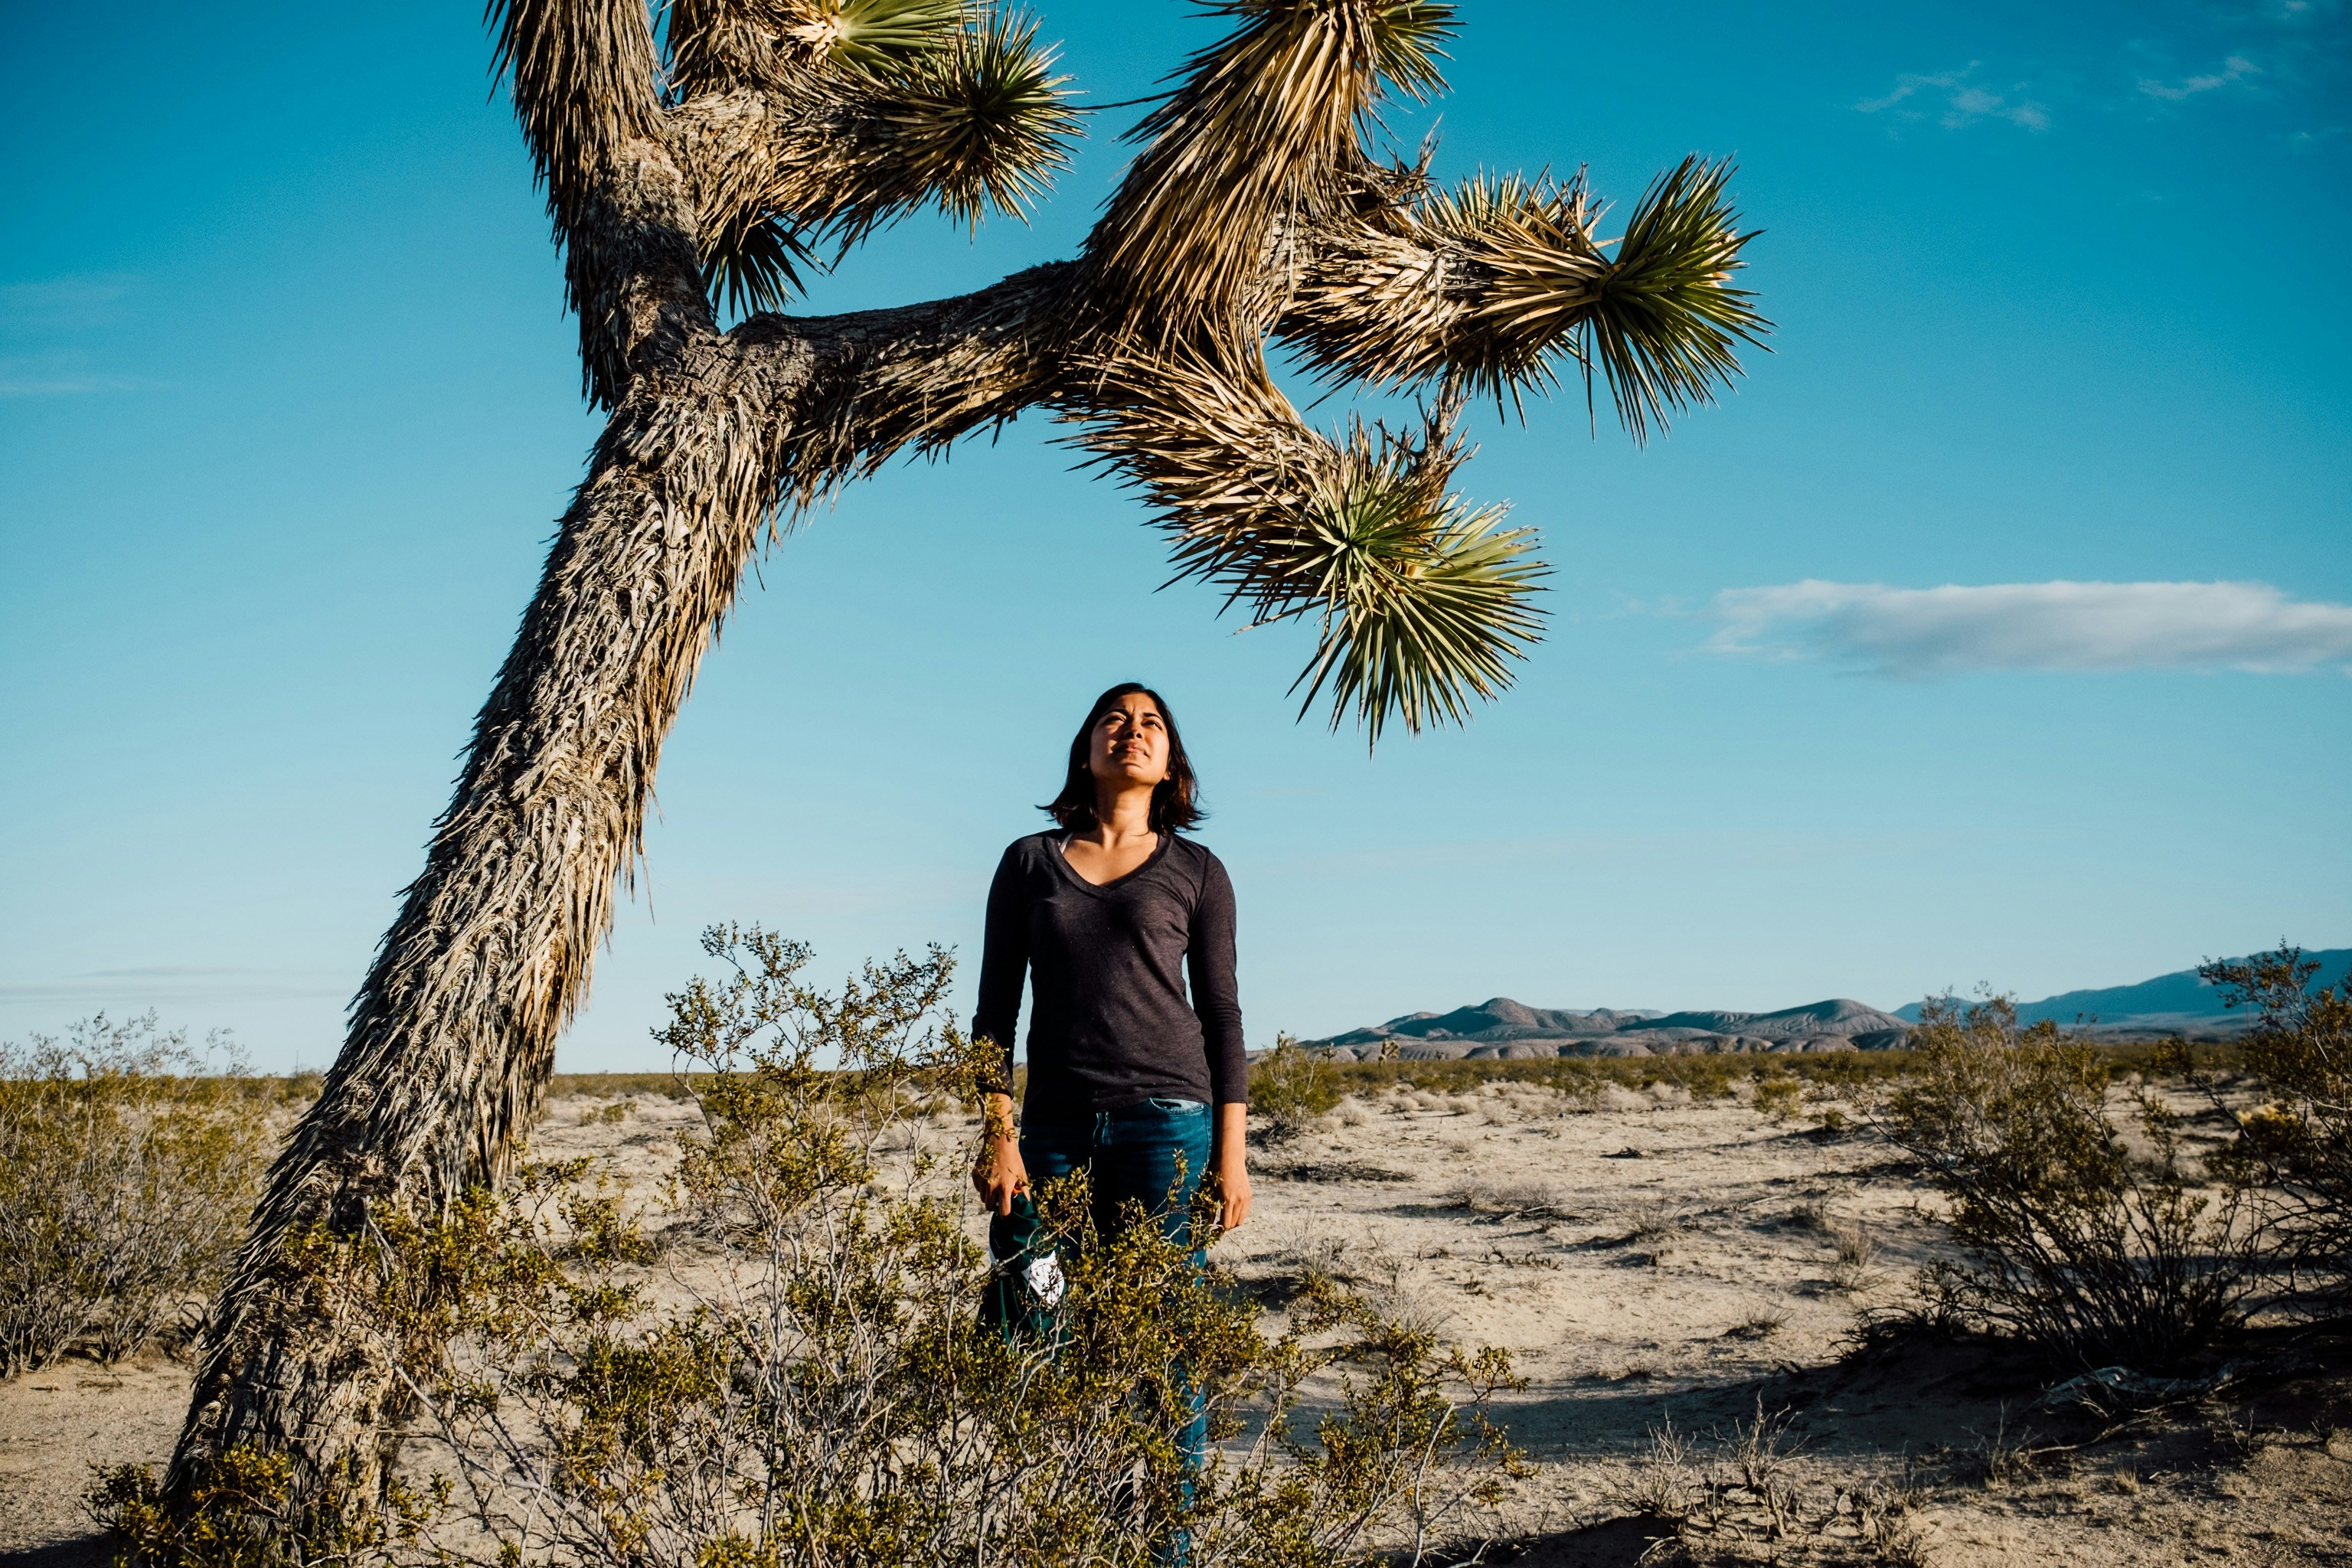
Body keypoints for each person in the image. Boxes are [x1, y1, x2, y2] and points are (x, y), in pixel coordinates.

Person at [969, 681, 1251, 1472]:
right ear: (1087, 749)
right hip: (1051, 1133)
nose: (1132, 732)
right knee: (1034, 1316)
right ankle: (1065, 1521)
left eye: (1152, 724)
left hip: (1166, 1127)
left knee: (1163, 1345)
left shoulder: (1197, 870)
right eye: (1114, 720)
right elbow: (994, 1011)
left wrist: (1231, 1154)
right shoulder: (1029, 861)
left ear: (1171, 766)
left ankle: (1165, 1544)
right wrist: (1000, 1136)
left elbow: (1223, 1014)